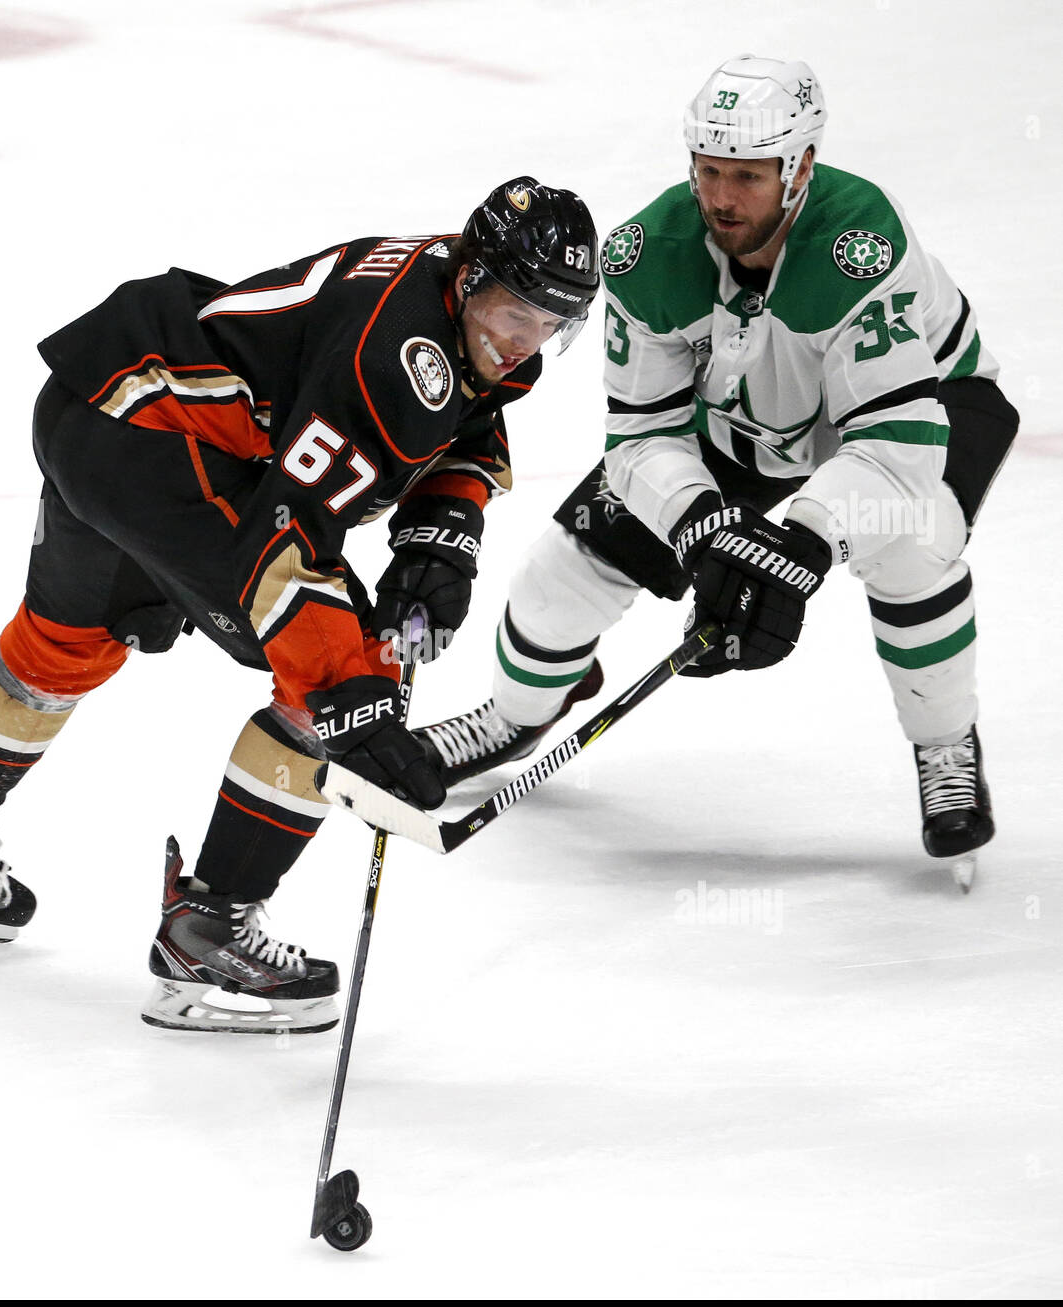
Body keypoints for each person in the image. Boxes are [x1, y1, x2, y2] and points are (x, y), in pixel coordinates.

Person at [0, 176, 600, 1031]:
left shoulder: (454, 293)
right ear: (470, 280)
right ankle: (212, 929)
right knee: (344, 672)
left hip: (98, 401)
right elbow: (283, 539)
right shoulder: (397, 355)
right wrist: (354, 709)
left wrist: (444, 534)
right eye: (515, 313)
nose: (524, 343)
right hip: (162, 446)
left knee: (72, 631)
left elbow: (467, 417)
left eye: (551, 324)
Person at [415, 56, 1018, 882]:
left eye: (747, 175)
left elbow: (894, 448)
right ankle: (514, 715)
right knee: (565, 573)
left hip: (921, 411)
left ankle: (944, 741)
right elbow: (641, 438)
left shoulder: (859, 245)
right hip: (747, 422)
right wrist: (703, 528)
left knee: (913, 546)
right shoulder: (647, 255)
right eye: (708, 171)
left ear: (800, 166)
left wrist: (801, 543)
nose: (723, 198)